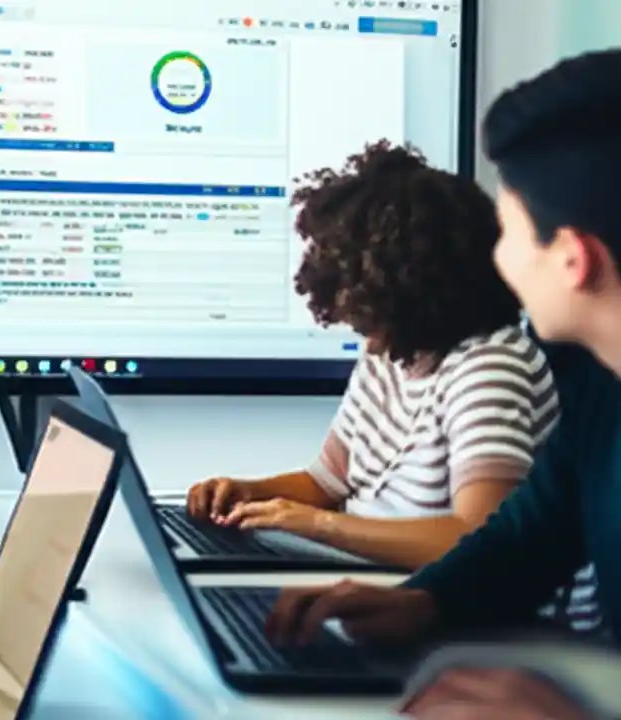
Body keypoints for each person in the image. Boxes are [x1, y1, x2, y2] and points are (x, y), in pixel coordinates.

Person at [266, 47, 621, 713]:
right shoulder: (597, 382)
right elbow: (530, 535)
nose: (496, 258)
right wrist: (423, 603)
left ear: (574, 259)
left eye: (509, 233)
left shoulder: (517, 365)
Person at [185, 141, 559, 571]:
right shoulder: (392, 351)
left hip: (447, 606)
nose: (343, 308)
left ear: (409, 285)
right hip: (368, 575)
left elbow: (482, 539)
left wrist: (319, 525)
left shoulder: (491, 368)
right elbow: (325, 483)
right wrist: (248, 493)